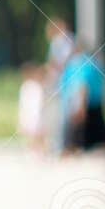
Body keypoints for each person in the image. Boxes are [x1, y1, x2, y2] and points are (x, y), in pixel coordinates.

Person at [60, 44, 105, 155]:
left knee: (77, 129)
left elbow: (82, 86)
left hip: (84, 102)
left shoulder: (80, 64)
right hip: (95, 102)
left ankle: (71, 149)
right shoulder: (96, 64)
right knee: (99, 129)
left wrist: (81, 106)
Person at [44, 17, 76, 156]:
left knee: (60, 117)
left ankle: (62, 146)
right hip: (69, 83)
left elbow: (58, 63)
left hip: (62, 84)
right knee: (66, 115)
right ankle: (66, 145)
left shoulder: (60, 41)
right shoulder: (71, 39)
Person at [17, 63, 47, 157]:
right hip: (32, 114)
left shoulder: (34, 86)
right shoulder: (29, 86)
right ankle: (35, 151)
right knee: (33, 134)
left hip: (36, 114)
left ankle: (38, 151)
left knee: (38, 134)